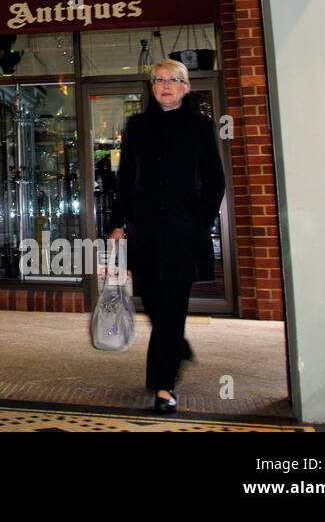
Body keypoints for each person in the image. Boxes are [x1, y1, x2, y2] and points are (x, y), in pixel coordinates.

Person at [106, 58, 225, 413]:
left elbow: (215, 181)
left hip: (183, 234)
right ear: (152, 87)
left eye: (173, 80)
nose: (165, 85)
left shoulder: (201, 127)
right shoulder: (137, 127)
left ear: (186, 87)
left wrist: (200, 222)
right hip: (145, 232)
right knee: (155, 305)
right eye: (159, 80)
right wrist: (118, 223)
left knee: (172, 311)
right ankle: (176, 350)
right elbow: (125, 180)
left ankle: (164, 386)